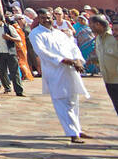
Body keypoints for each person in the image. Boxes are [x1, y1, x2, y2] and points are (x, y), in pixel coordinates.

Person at [29, 8, 91, 143]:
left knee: (73, 100)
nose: (46, 20)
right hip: (55, 72)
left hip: (71, 70)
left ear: (52, 17)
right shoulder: (36, 34)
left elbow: (73, 47)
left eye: (47, 17)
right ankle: (72, 133)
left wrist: (78, 60)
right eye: (42, 18)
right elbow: (42, 52)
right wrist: (65, 60)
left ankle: (77, 128)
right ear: (38, 19)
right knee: (61, 101)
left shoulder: (59, 33)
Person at [0, 11, 24, 97]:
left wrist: (9, 38)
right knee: (2, 71)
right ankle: (7, 87)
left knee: (14, 72)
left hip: (10, 52)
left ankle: (19, 90)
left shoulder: (8, 27)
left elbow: (18, 39)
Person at [89, 14, 118, 117]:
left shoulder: (114, 37)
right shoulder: (98, 39)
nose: (90, 28)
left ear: (98, 24)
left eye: (91, 25)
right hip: (109, 80)